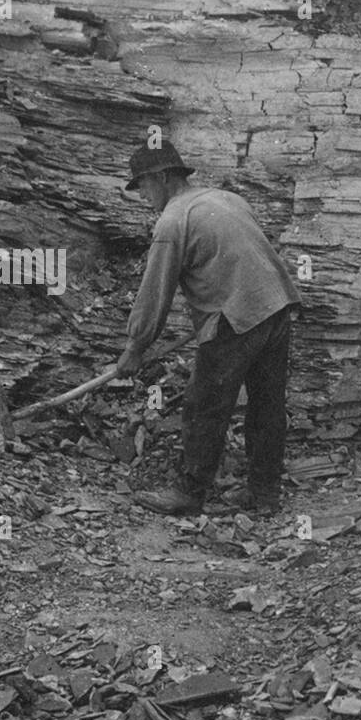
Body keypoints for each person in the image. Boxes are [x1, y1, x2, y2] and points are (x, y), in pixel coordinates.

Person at [118, 140, 302, 516]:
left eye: (144, 186)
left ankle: (189, 493)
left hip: (235, 317)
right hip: (277, 305)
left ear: (163, 177)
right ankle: (265, 495)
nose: (143, 196)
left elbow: (156, 292)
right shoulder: (226, 198)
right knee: (267, 405)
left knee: (204, 406)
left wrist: (135, 347)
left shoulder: (172, 221)